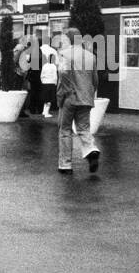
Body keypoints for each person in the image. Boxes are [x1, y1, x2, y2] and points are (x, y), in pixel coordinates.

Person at [55, 28, 101, 174]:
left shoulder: (64, 54)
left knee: (65, 130)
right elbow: (95, 79)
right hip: (85, 98)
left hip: (70, 97)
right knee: (83, 129)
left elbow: (63, 75)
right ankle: (91, 150)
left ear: (68, 39)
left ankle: (65, 165)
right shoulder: (90, 56)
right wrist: (90, 94)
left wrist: (61, 96)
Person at [39, 44, 58, 118]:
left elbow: (41, 75)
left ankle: (44, 111)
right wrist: (55, 83)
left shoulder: (44, 66)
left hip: (44, 83)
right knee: (50, 99)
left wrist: (42, 81)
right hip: (51, 83)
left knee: (45, 98)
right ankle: (46, 113)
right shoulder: (53, 66)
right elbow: (55, 76)